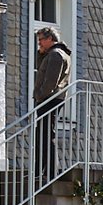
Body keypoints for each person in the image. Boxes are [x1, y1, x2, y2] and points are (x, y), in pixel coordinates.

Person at [32, 25, 71, 181]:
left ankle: (49, 171)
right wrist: (40, 54)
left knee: (46, 135)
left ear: (50, 39)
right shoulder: (52, 54)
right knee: (43, 135)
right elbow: (40, 69)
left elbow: (50, 82)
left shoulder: (56, 55)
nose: (39, 43)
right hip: (51, 99)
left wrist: (40, 96)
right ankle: (41, 170)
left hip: (50, 99)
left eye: (41, 40)